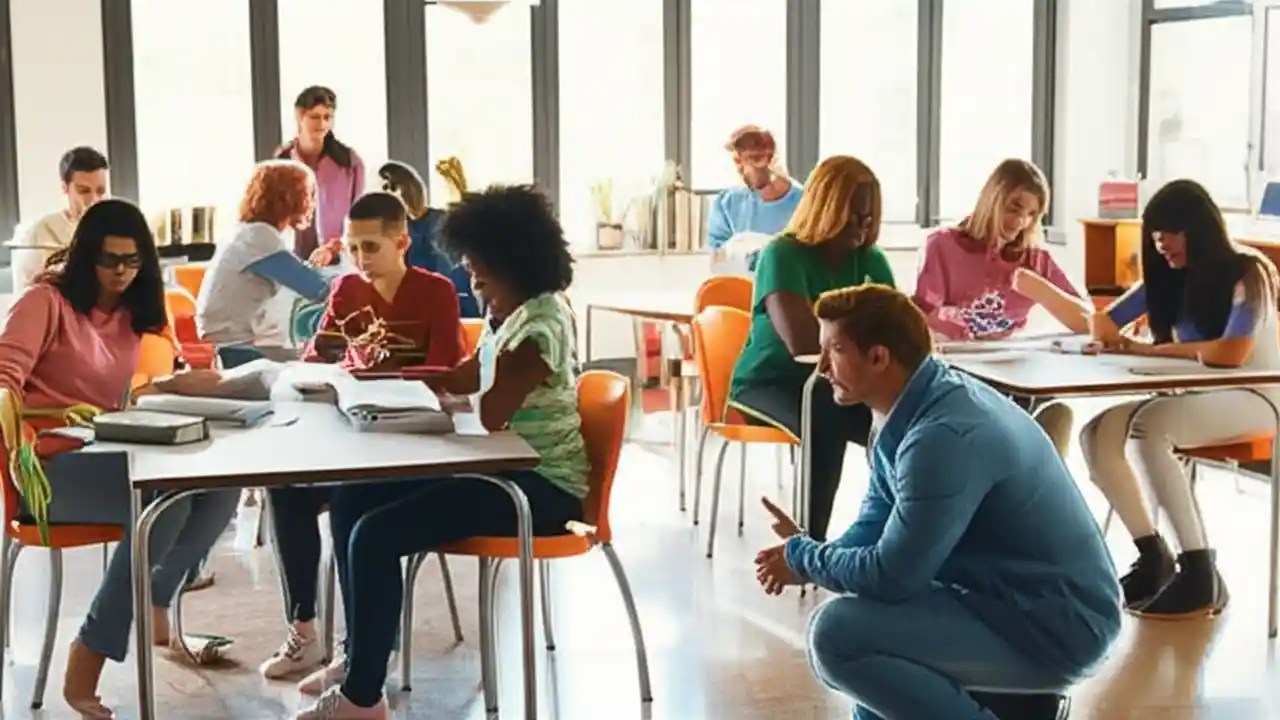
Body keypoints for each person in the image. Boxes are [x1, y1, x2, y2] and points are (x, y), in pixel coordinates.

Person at [754, 284, 1121, 720]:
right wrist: (813, 560)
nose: (821, 368)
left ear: (878, 357)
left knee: (838, 635)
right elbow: (873, 527)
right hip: (1002, 604)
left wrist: (806, 558)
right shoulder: (911, 405)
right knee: (870, 640)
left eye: (833, 350)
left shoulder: (942, 438)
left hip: (1054, 629)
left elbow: (893, 576)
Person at [293, 185, 587, 719]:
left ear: (515, 263)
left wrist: (480, 362)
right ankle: (361, 658)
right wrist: (391, 383)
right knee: (353, 500)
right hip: (495, 466)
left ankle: (361, 699)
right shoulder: (512, 314)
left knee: (376, 536)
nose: (472, 282)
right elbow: (465, 375)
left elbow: (493, 410)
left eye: (480, 272)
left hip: (541, 488)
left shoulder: (541, 323)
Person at [0, 200, 239, 718]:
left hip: (109, 449)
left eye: (132, 261)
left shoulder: (135, 309)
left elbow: (126, 394)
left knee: (224, 485)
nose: (120, 273)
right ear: (86, 256)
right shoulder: (46, 301)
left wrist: (173, 386)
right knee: (167, 505)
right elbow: (3, 381)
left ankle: (155, 596)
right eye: (109, 261)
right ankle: (90, 652)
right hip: (47, 466)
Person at [259, 192, 466, 683]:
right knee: (285, 490)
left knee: (355, 508)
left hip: (411, 441)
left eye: (370, 247)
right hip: (353, 428)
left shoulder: (435, 292)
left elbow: (446, 370)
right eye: (352, 247)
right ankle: (305, 631)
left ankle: (361, 651)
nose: (360, 259)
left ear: (402, 241)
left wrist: (376, 379)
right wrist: (319, 371)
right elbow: (319, 357)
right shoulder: (348, 289)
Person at [1082, 179, 1280, 617]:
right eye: (1154, 237)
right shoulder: (1169, 278)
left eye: (1167, 234)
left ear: (1196, 229)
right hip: (1200, 397)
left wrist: (1151, 351)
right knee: (1097, 433)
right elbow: (1105, 323)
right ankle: (1154, 555)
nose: (1160, 245)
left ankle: (1199, 571)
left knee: (1148, 426)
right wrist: (1110, 332)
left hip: (1256, 396)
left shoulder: (1250, 273)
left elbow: (1232, 353)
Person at [727, 155, 894, 542]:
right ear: (827, 209)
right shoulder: (783, 254)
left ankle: (903, 535)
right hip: (769, 383)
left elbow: (895, 336)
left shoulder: (871, 260)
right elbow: (804, 345)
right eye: (854, 216)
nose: (863, 227)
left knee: (904, 419)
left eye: (869, 219)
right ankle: (809, 544)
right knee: (827, 408)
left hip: (843, 386)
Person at [911, 158, 1089, 455]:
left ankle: (1034, 485)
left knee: (1054, 412)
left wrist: (1041, 290)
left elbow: (1089, 321)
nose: (1020, 222)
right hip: (959, 375)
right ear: (992, 199)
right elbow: (921, 315)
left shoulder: (1034, 258)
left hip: (1015, 377)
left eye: (1032, 214)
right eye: (1014, 208)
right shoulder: (941, 245)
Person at [196, 159, 332, 369]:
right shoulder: (258, 237)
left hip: (230, 345)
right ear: (287, 197)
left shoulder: (246, 234)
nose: (312, 203)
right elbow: (317, 288)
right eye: (308, 194)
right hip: (239, 349)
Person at [375, 160, 481, 317]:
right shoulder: (395, 231)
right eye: (386, 189)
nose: (392, 194)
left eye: (394, 187)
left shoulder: (443, 219)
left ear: (411, 186)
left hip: (458, 302)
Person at [277, 86, 366, 265]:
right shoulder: (283, 160)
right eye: (315, 117)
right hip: (292, 261)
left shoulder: (349, 163)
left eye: (327, 117)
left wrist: (332, 248)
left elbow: (360, 219)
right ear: (299, 115)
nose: (322, 124)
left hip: (339, 261)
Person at [12, 146, 110, 287]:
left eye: (101, 191)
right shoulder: (41, 232)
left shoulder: (119, 227)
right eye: (84, 191)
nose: (94, 200)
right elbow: (24, 291)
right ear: (65, 187)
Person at [705, 125, 802, 253]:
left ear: (771, 158)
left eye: (755, 159)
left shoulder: (805, 202)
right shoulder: (726, 204)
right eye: (736, 161)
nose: (742, 169)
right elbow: (718, 256)